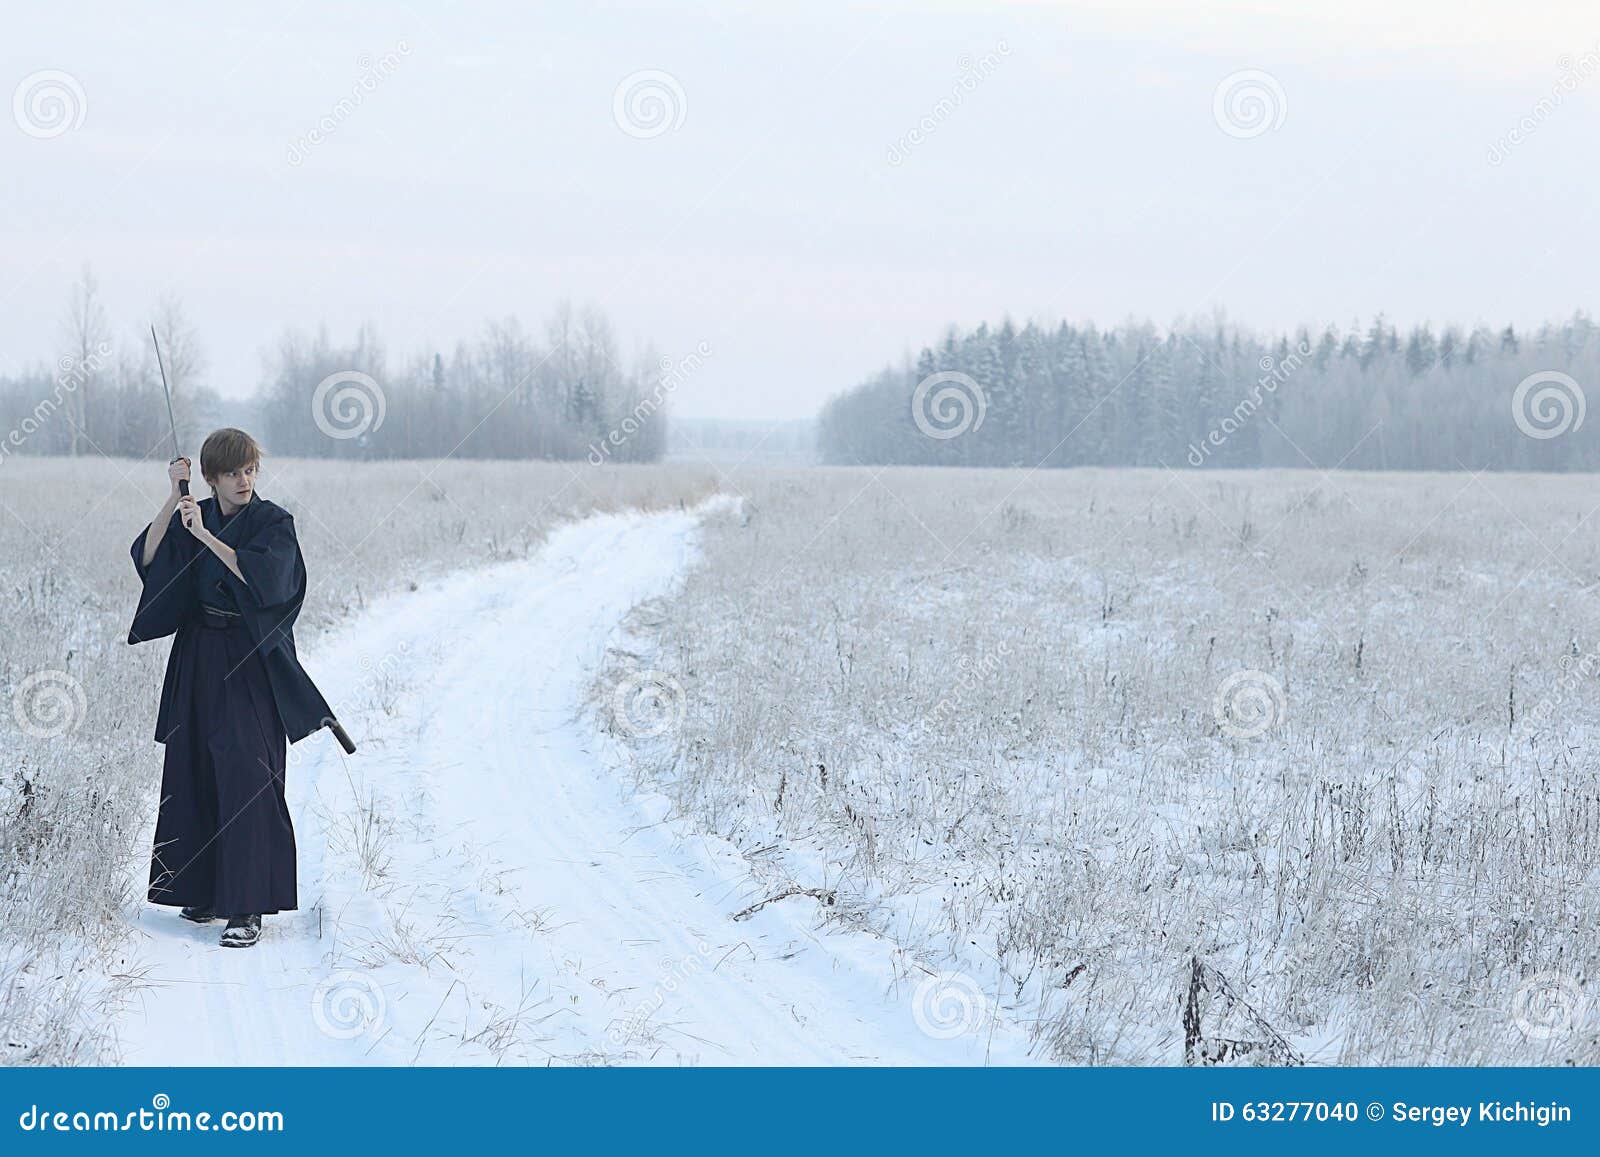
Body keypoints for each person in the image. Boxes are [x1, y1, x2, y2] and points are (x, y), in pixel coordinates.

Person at [127, 428, 340, 948]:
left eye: (250, 470)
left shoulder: (274, 523)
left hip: (250, 659)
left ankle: (247, 906)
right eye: (232, 473)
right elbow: (149, 559)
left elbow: (264, 581)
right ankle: (202, 892)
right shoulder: (194, 513)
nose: (244, 480)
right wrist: (172, 496)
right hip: (199, 655)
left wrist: (204, 537)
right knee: (194, 765)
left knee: (249, 772)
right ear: (210, 478)